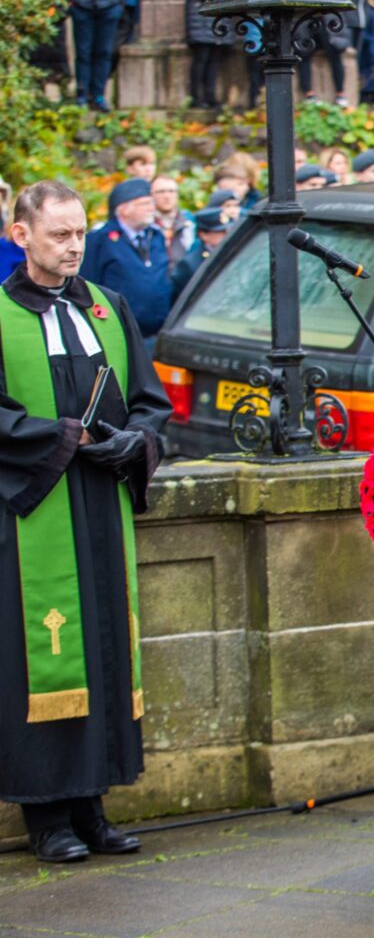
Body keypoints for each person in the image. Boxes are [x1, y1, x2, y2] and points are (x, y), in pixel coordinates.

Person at [0, 179, 171, 865]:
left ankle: (94, 806)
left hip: (101, 506)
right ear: (22, 237)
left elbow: (149, 400)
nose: (73, 247)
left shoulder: (108, 307)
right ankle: (48, 818)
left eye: (78, 234)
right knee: (42, 652)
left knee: (103, 650)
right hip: (34, 510)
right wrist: (61, 438)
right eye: (58, 236)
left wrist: (139, 441)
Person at [79, 179, 171, 351]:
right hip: (118, 334)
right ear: (123, 209)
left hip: (155, 334)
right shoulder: (101, 240)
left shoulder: (156, 236)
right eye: (144, 203)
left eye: (151, 202)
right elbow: (87, 285)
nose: (152, 207)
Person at [183, 0, 224, 109]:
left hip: (218, 13)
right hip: (200, 12)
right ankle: (196, 97)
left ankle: (210, 95)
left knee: (215, 56)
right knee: (201, 56)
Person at [169, 206, 228, 299]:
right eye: (220, 232)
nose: (226, 234)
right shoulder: (190, 264)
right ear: (203, 235)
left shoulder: (231, 252)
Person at [149, 175, 193, 271]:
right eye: (161, 192)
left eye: (171, 191)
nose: (167, 196)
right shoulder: (145, 224)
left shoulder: (190, 222)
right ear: (151, 195)